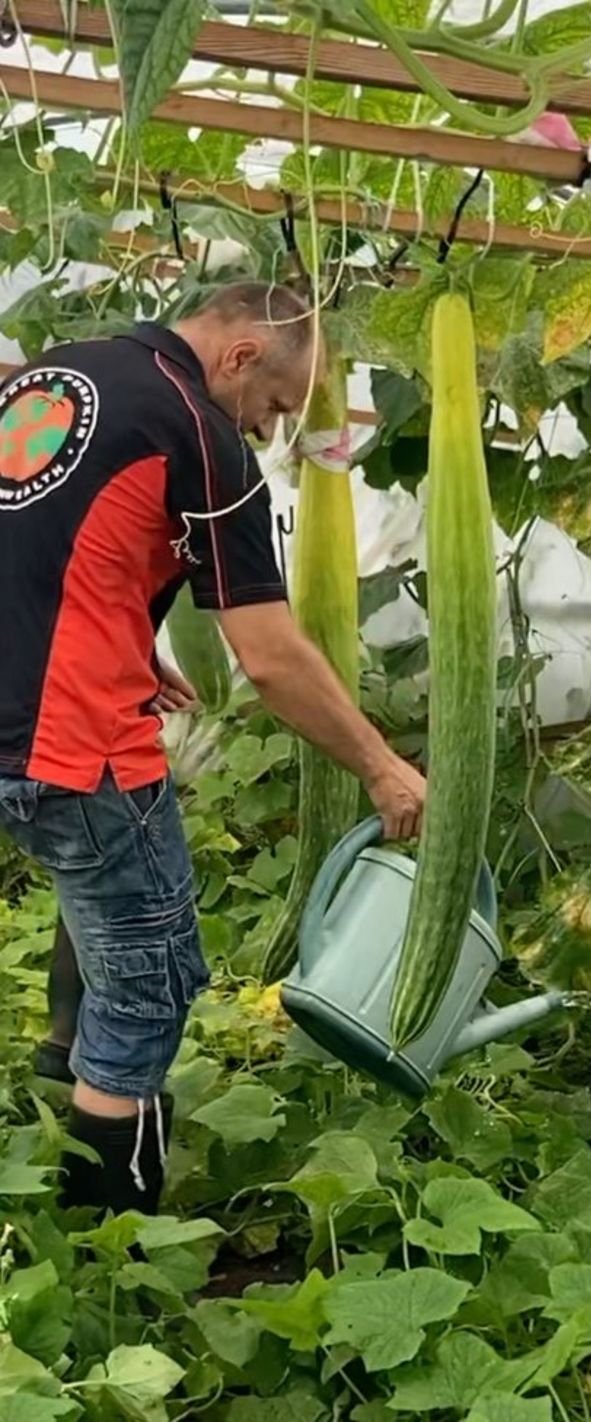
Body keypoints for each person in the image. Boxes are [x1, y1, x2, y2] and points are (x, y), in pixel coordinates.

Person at [0, 281, 426, 1215]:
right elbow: (269, 656)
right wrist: (381, 765)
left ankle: (58, 1093)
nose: (269, 431)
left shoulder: (58, 373)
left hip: (15, 719)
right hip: (76, 745)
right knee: (147, 988)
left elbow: (36, 538)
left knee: (98, 922)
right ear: (239, 357)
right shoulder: (199, 431)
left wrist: (120, 632)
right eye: (274, 404)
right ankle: (109, 1239)